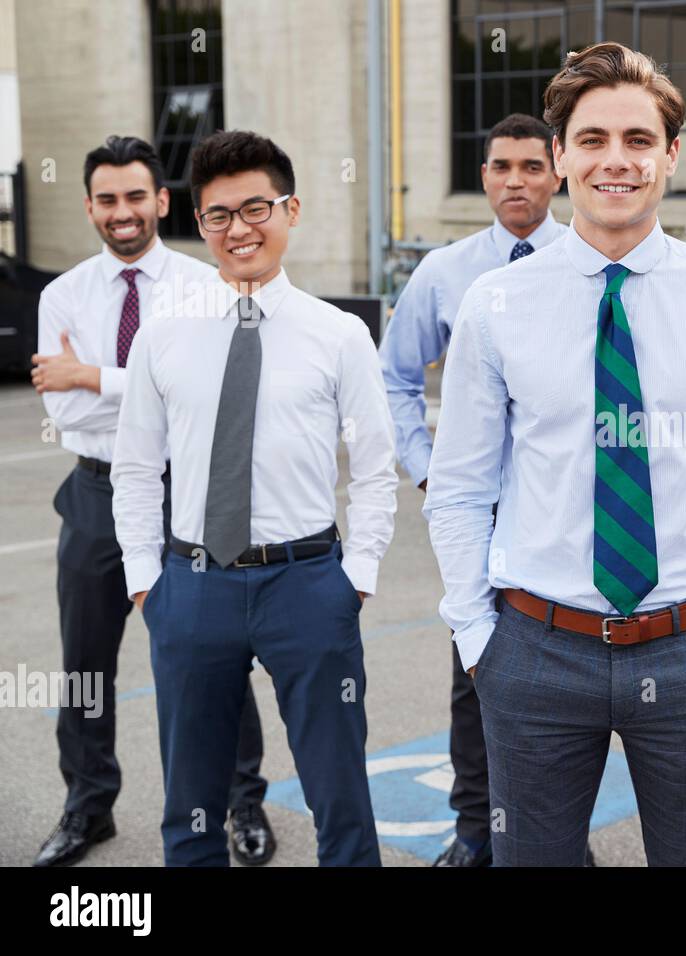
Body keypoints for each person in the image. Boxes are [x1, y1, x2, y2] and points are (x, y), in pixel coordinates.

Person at [425, 42, 686, 867]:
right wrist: (477, 640)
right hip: (532, 651)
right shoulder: (495, 306)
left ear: (673, 155)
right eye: (592, 139)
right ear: (560, 156)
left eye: (638, 140)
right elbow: (457, 489)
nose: (616, 161)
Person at [112, 130, 398, 866]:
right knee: (193, 806)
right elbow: (137, 466)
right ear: (200, 223)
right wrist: (146, 581)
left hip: (306, 585)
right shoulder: (164, 335)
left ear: (290, 210)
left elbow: (372, 466)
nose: (239, 229)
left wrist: (356, 577)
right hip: (192, 587)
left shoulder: (338, 335)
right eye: (218, 215)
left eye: (256, 208)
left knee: (340, 798)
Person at [29, 135, 275, 867]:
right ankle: (87, 806)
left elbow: (198, 406)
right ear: (90, 208)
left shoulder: (205, 288)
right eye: (107, 199)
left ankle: (243, 803)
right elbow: (68, 414)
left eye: (136, 196)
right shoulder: (62, 295)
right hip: (97, 491)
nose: (123, 212)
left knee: (215, 653)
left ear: (162, 201)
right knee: (85, 663)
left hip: (190, 493)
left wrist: (91, 375)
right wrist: (121, 383)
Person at [377, 113, 573, 867]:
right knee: (477, 667)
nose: (516, 181)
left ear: (556, 172)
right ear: (485, 176)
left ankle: (557, 834)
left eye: (531, 165)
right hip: (480, 509)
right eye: (500, 167)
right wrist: (427, 469)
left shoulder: (589, 261)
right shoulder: (445, 273)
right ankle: (473, 833)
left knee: (569, 676)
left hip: (563, 504)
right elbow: (394, 376)